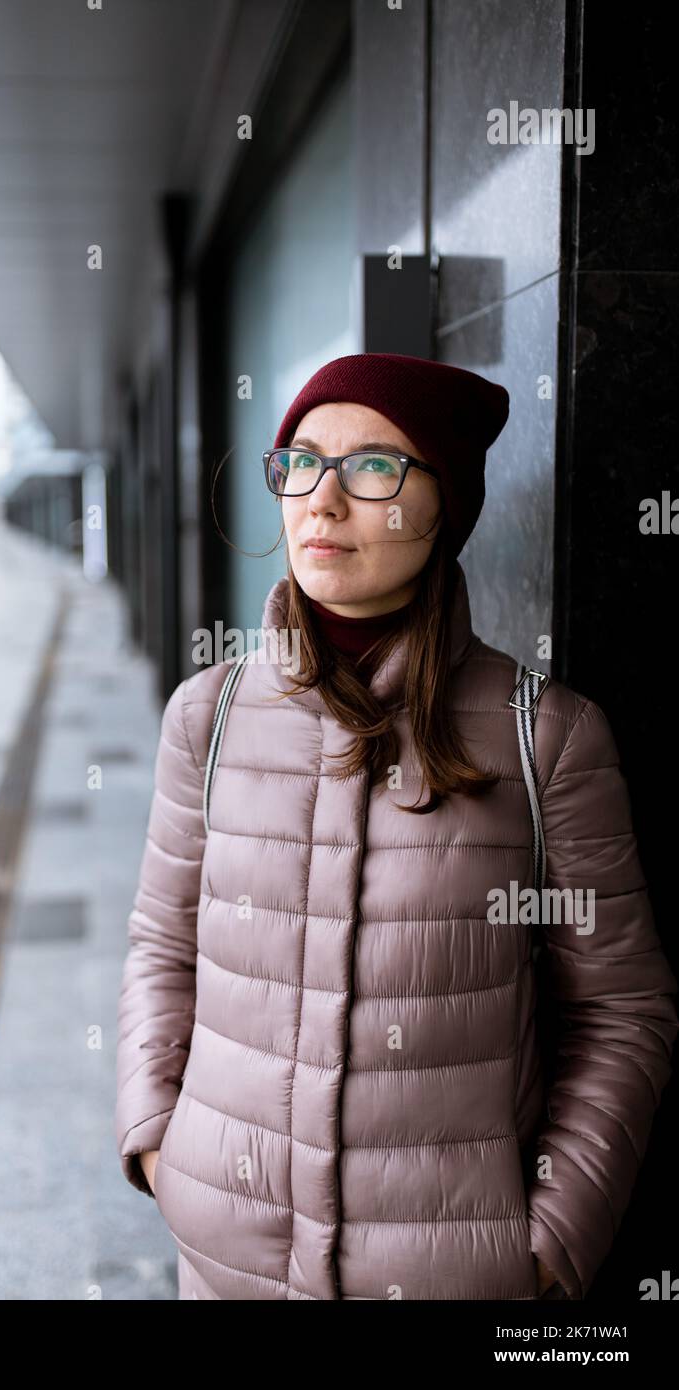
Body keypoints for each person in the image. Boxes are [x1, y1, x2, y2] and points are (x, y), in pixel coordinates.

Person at [114, 352, 678, 1301]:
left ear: (443, 505)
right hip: (224, 1259)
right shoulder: (206, 717)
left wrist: (547, 1241)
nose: (322, 502)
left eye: (374, 466)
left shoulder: (548, 738)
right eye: (300, 461)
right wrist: (159, 1144)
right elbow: (161, 951)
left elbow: (621, 1009)